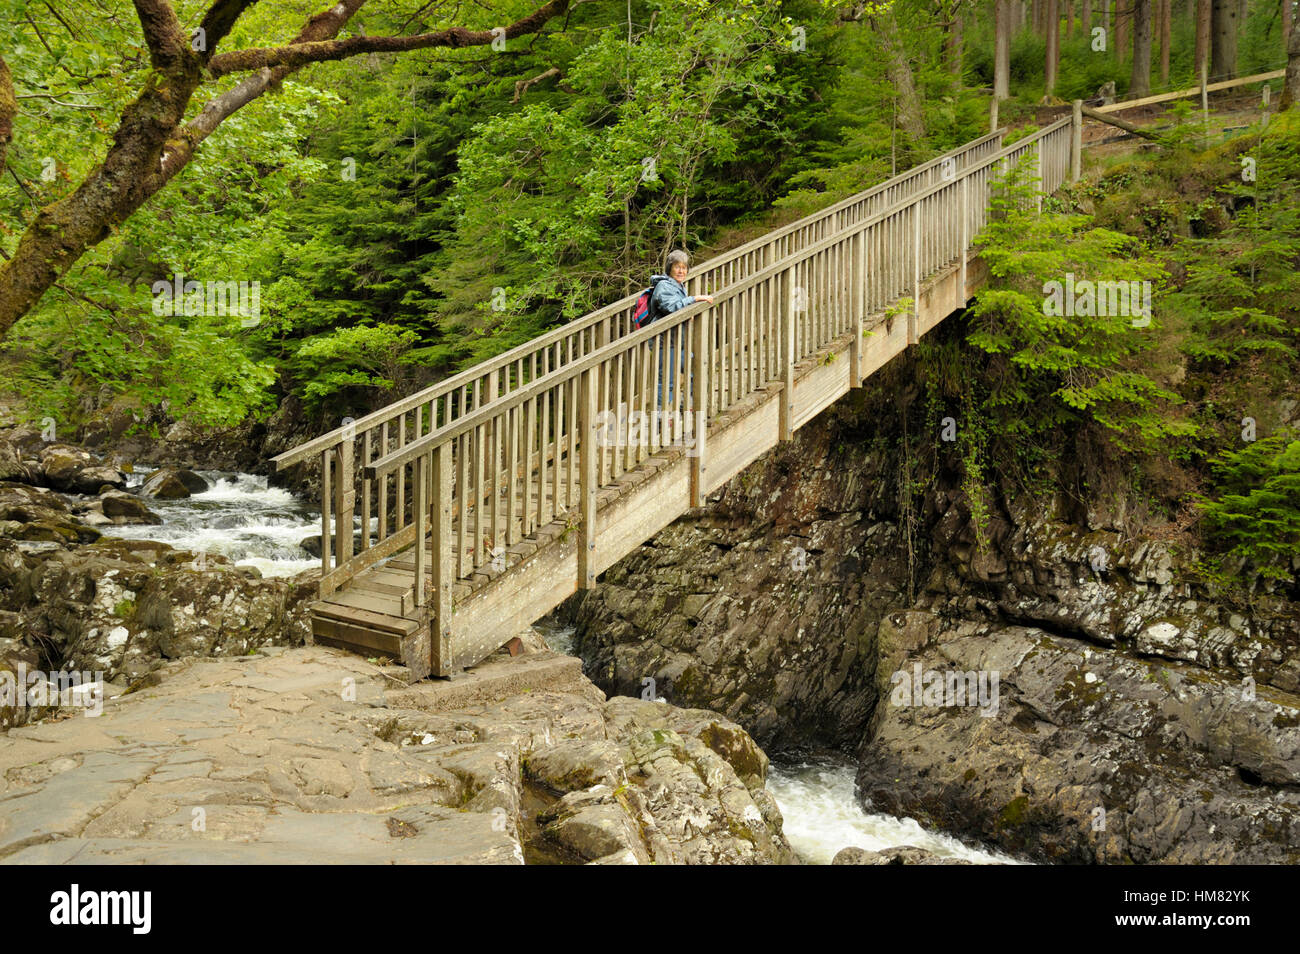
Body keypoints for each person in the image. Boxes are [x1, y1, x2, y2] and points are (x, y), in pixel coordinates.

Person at [649, 250, 713, 414]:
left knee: (696, 367)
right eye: (677, 267)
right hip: (665, 341)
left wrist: (687, 315)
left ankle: (687, 405)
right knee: (666, 382)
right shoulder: (664, 286)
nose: (681, 271)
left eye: (684, 268)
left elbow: (676, 307)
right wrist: (695, 299)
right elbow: (671, 307)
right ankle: (661, 417)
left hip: (678, 342)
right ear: (670, 268)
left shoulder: (678, 286)